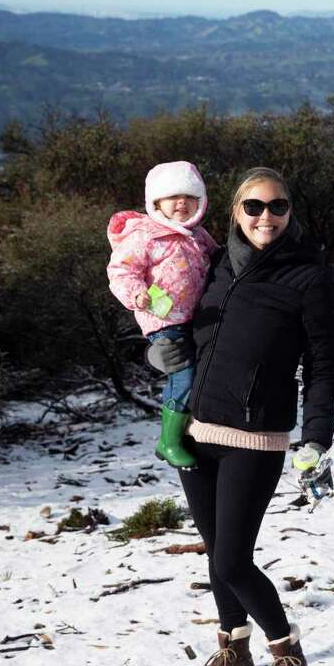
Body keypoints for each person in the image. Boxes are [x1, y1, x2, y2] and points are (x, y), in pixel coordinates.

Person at [147, 167, 334, 666]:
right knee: (215, 552)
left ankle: (284, 644)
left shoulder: (308, 277)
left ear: (290, 212)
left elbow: (323, 367)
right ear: (234, 211)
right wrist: (154, 346)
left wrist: (316, 438)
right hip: (195, 430)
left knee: (233, 558)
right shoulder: (208, 264)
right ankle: (234, 643)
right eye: (253, 207)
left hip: (255, 438)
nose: (266, 217)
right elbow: (170, 315)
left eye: (278, 207)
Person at [107, 160, 220, 471]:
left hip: (196, 318)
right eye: (173, 198)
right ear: (156, 202)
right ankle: (168, 440)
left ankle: (190, 431)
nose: (181, 203)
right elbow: (121, 270)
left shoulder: (198, 235)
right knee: (183, 375)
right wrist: (136, 294)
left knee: (199, 372)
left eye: (189, 197)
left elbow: (218, 257)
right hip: (163, 318)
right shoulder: (145, 235)